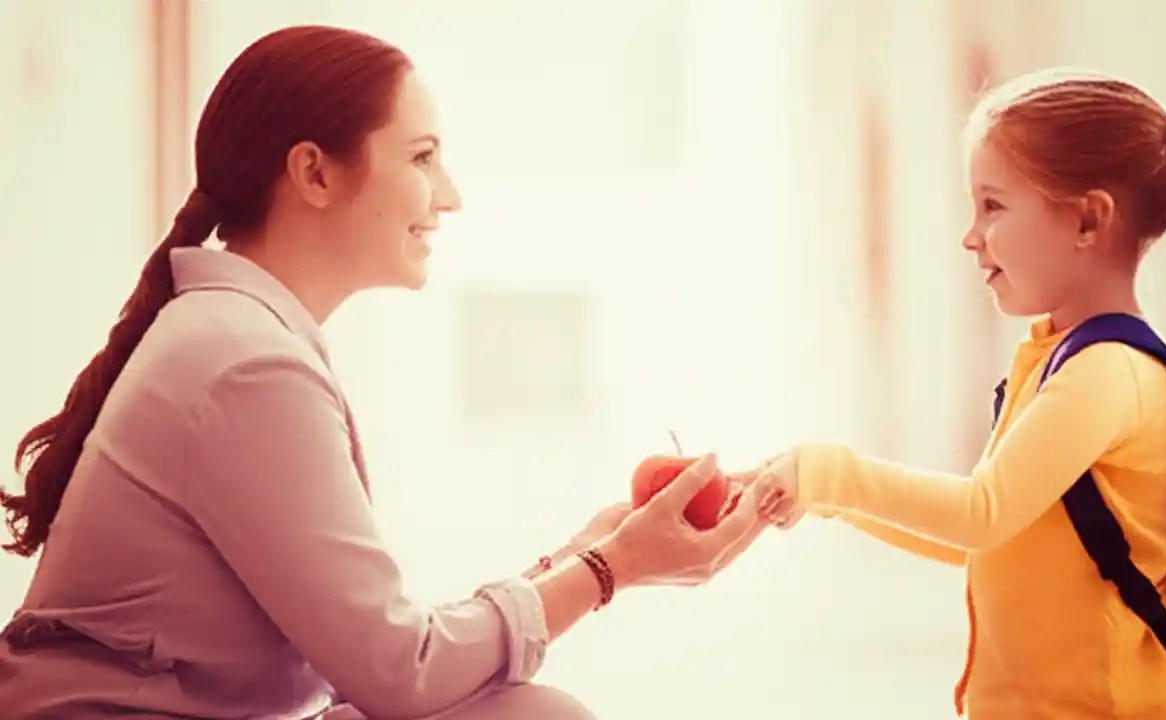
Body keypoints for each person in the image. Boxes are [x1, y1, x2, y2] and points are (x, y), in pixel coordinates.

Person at [0, 25, 771, 719]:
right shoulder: (244, 362)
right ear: (315, 173)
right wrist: (611, 569)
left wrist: (587, 553)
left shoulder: (236, 337)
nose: (450, 196)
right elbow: (402, 674)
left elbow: (384, 651)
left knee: (523, 712)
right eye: (422, 157)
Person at [750, 68, 1166, 719]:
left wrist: (830, 473)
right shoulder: (1061, 360)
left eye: (992, 206)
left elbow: (980, 512)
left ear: (1087, 220)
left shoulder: (1107, 375)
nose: (971, 235)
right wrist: (821, 494)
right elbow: (992, 535)